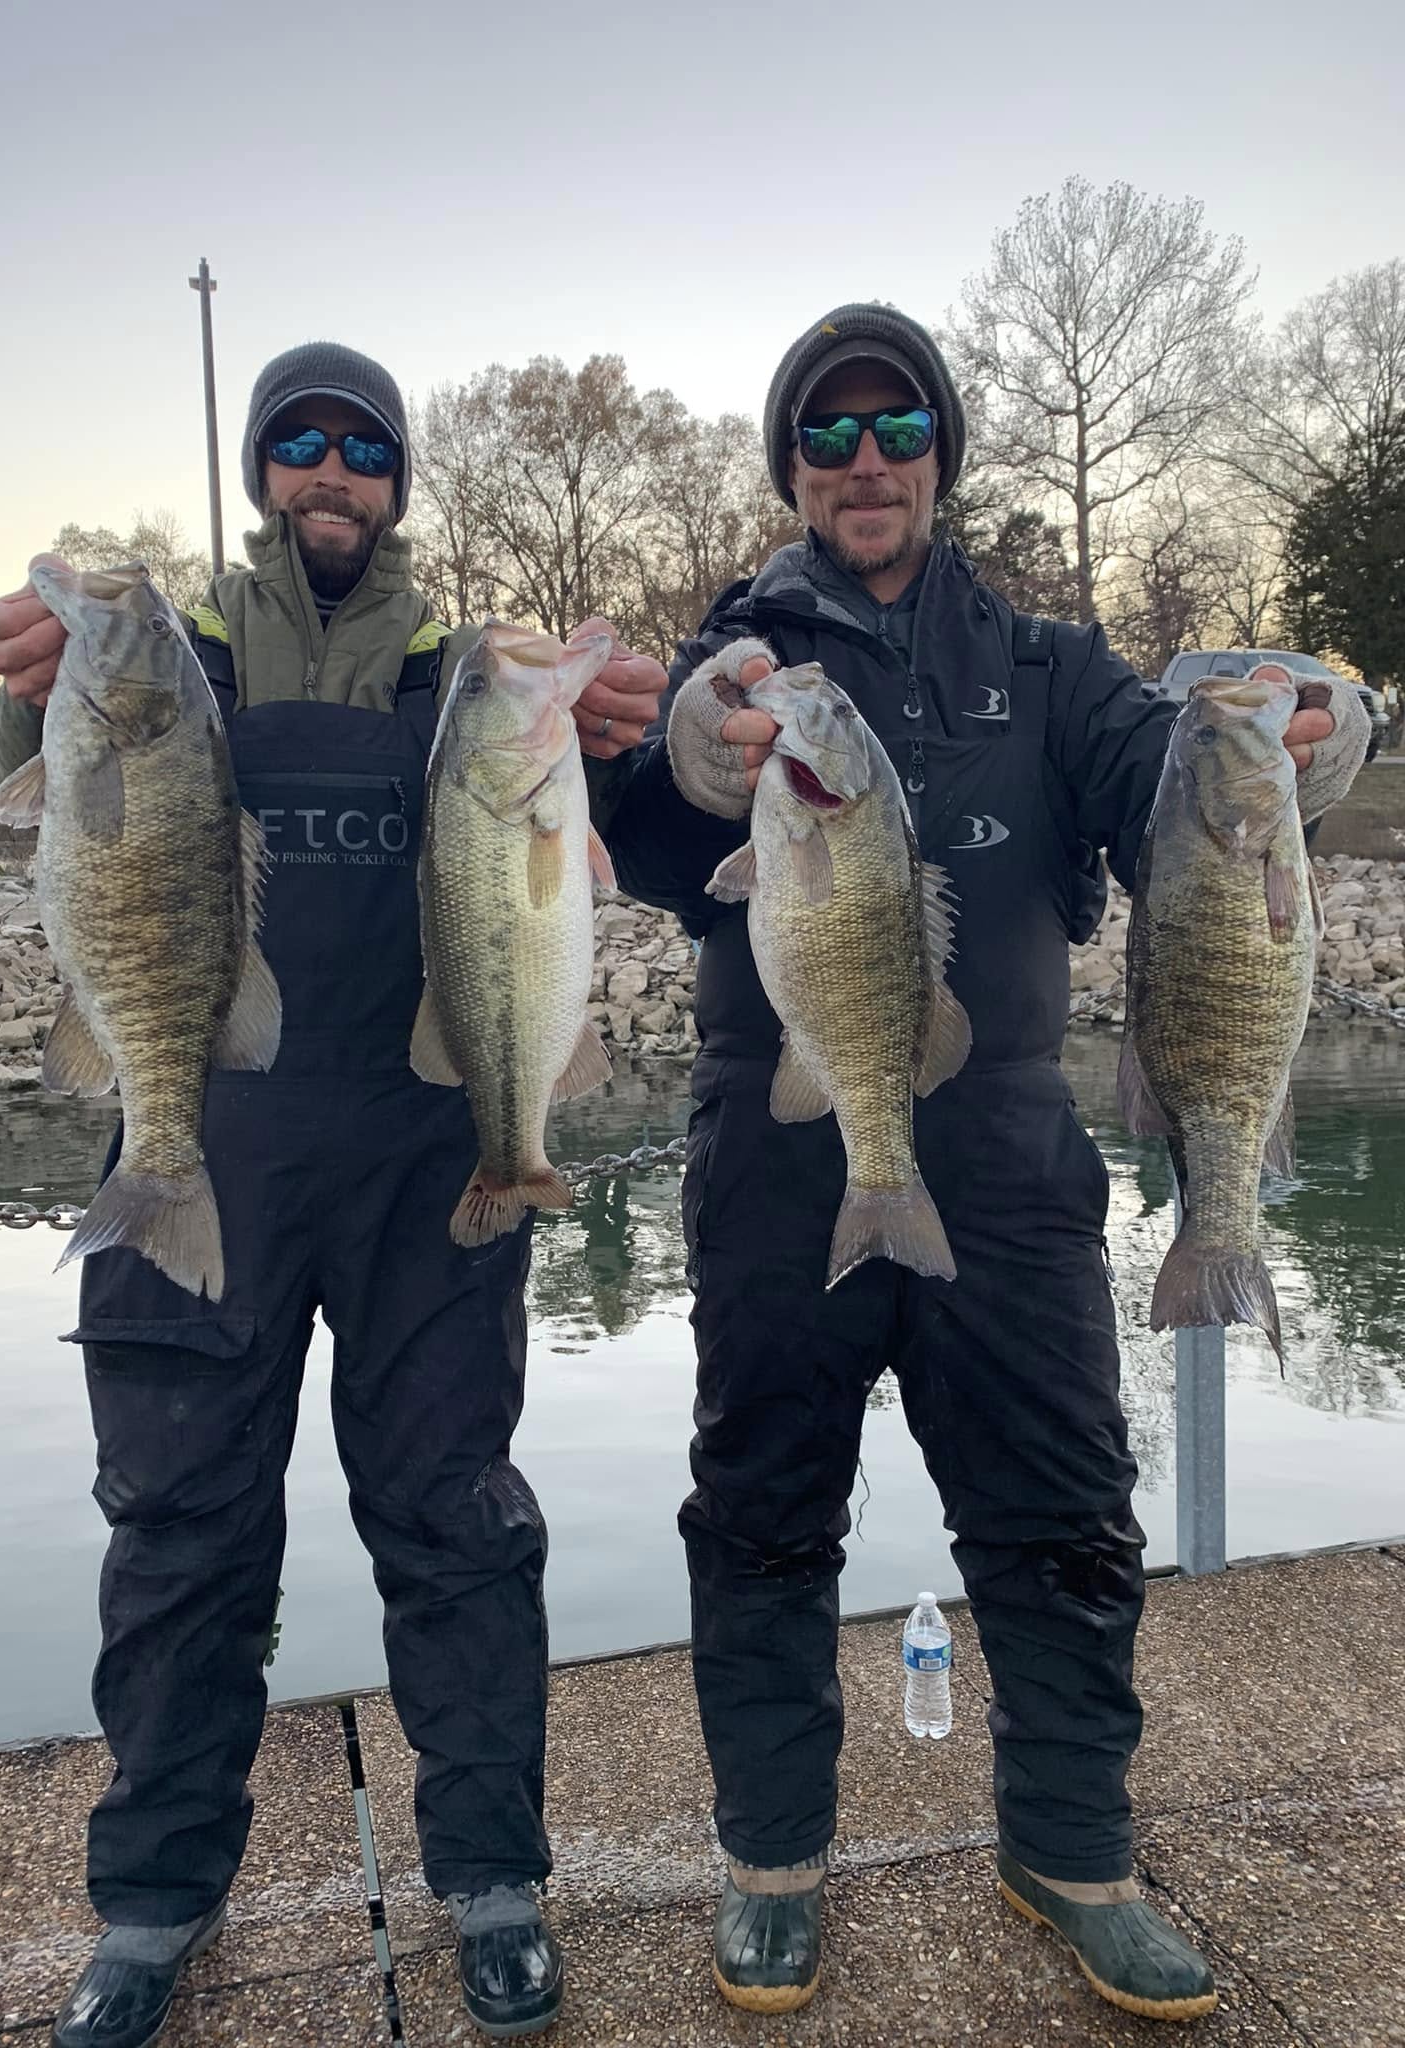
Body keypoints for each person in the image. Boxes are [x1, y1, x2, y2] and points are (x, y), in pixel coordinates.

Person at [597, 303, 1368, 2022]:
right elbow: (653, 829)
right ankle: (776, 1868)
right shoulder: (738, 669)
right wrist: (688, 757)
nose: (864, 463)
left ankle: (1074, 1853)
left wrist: (1329, 720)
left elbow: (1196, 771)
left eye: (897, 431)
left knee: (1064, 1514)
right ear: (792, 470)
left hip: (1010, 1150)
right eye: (828, 437)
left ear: (941, 455)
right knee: (764, 1519)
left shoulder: (1051, 664)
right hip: (782, 1151)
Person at [0, 342, 665, 2048]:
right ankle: (152, 1904)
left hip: (431, 1163)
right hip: (203, 1139)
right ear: (264, 472)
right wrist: (23, 687)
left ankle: (493, 1884)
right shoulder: (172, 663)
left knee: (455, 1527)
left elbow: (600, 840)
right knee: (184, 1536)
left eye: (362, 448)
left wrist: (635, 741)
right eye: (300, 445)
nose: (329, 474)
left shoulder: (471, 677)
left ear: (398, 481)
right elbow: (55, 802)